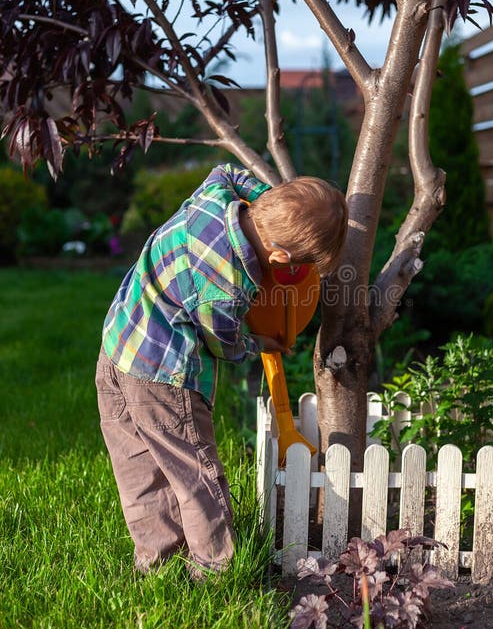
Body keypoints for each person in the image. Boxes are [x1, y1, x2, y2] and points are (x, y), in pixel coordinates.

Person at [95, 163, 348, 579]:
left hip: (120, 342)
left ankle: (158, 563)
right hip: (163, 376)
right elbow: (222, 344)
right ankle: (217, 569)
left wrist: (268, 194)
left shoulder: (213, 199)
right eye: (294, 267)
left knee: (139, 466)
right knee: (195, 473)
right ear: (280, 257)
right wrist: (260, 343)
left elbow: (227, 168)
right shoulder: (228, 285)